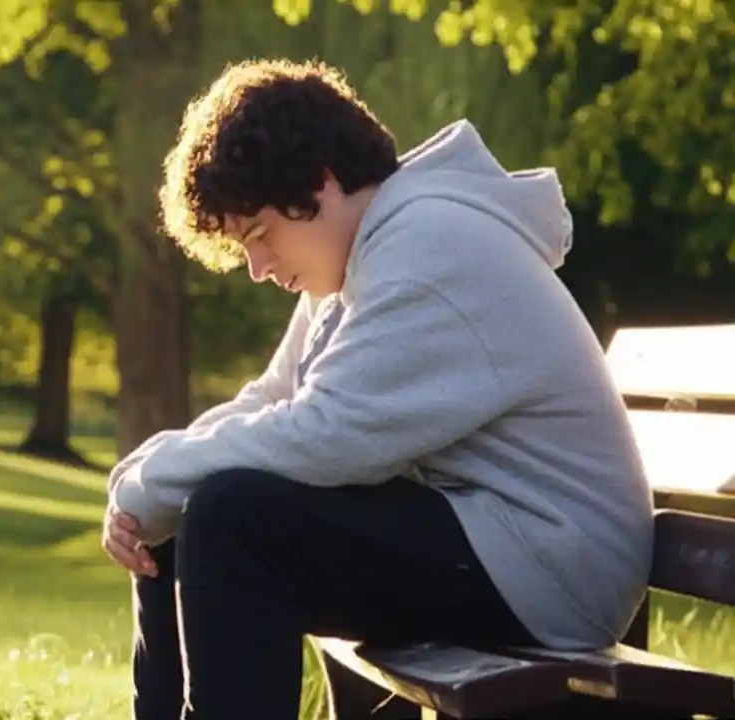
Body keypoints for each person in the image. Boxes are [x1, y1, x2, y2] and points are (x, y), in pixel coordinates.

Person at [102, 58, 654, 719]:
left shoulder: (428, 249)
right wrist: (150, 477)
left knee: (233, 514)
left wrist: (157, 479)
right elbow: (273, 398)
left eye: (259, 235)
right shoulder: (363, 261)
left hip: (553, 570)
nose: (257, 267)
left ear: (320, 180)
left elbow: (327, 438)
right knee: (193, 504)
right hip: (494, 540)